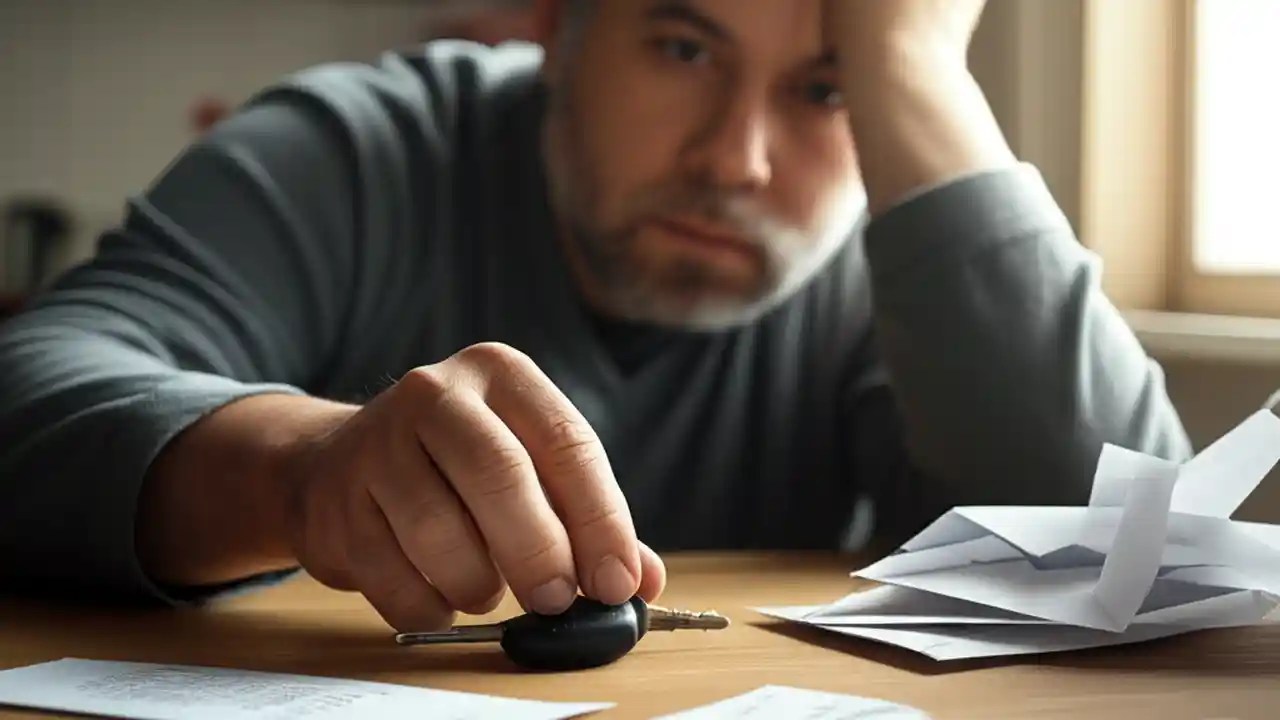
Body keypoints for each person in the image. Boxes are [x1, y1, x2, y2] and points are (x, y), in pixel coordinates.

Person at [0, 0, 1190, 633]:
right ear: (556, 27)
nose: (735, 161)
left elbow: (1138, 562)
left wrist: (920, 74)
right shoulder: (359, 155)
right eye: (682, 47)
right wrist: (304, 472)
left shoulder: (900, 262)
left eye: (827, 89)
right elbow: (29, 388)